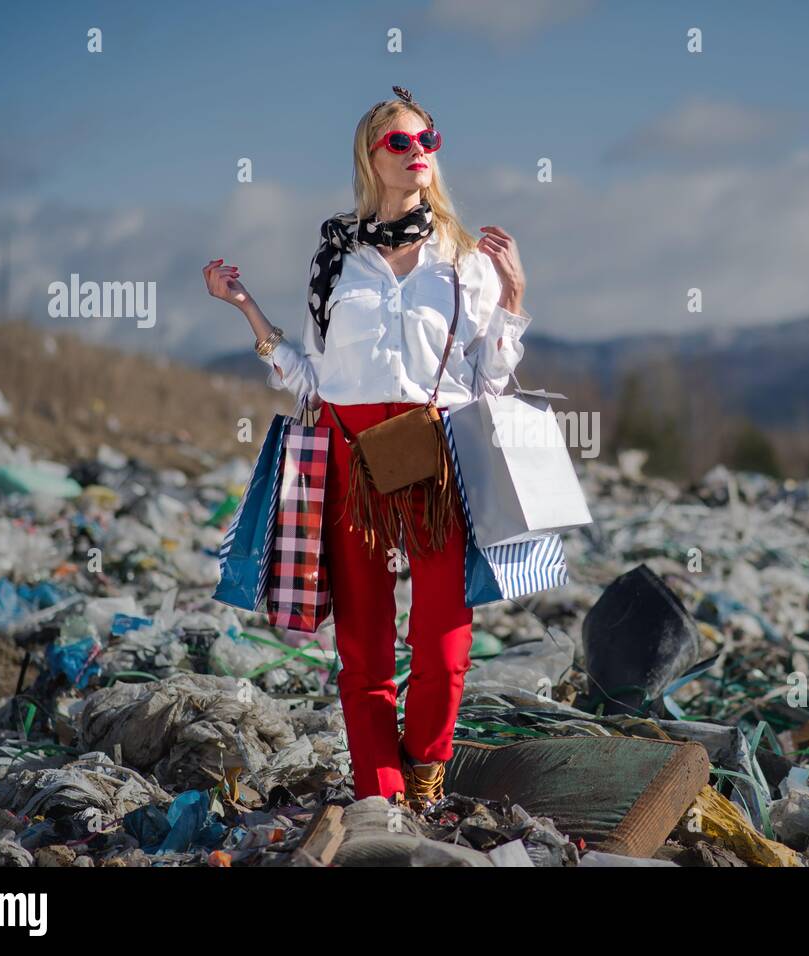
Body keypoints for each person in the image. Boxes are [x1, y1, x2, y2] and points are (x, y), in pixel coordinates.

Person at [202, 86, 532, 811]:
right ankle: (379, 793)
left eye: (428, 141)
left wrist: (511, 299)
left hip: (437, 456)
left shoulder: (464, 260)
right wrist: (247, 309)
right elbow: (315, 378)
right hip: (348, 454)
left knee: (443, 640)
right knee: (363, 643)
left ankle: (426, 765)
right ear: (371, 156)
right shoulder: (335, 259)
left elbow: (489, 380)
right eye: (401, 143)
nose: (419, 154)